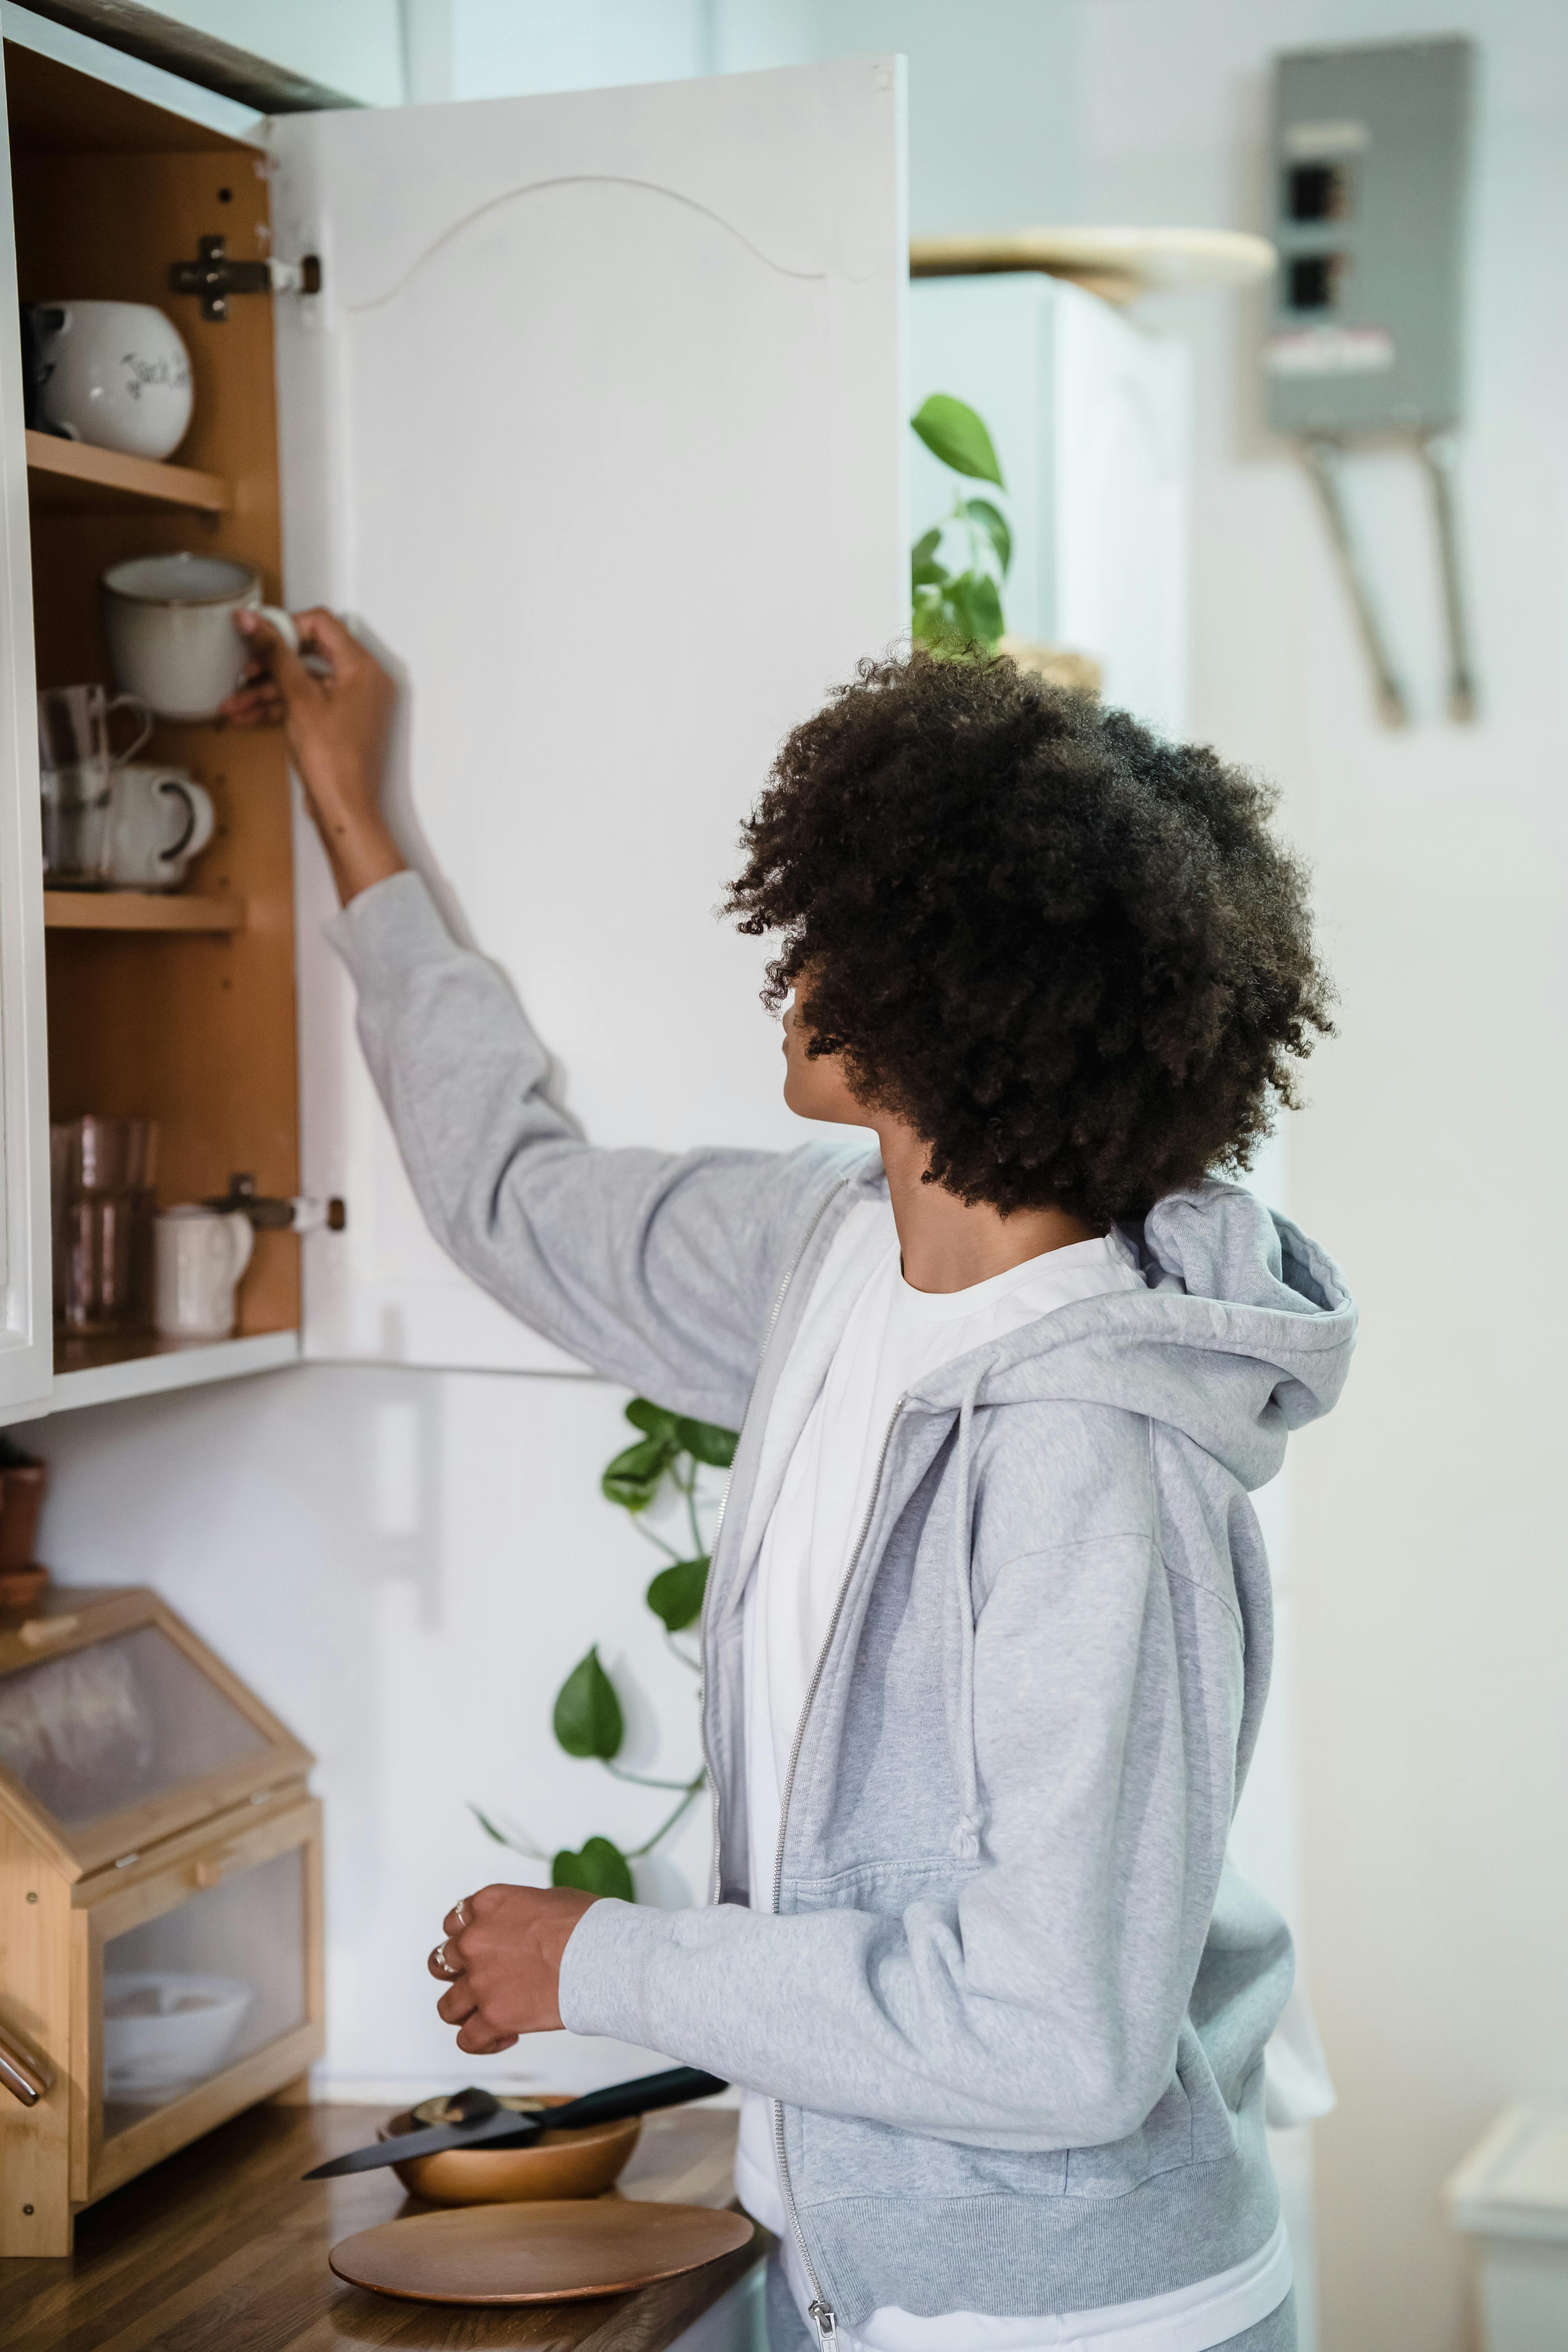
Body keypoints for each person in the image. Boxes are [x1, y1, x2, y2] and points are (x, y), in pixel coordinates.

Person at [226, 609, 1356, 2352]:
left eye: (845, 924)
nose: (796, 964)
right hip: (849, 2282)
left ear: (958, 995)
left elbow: (1055, 2036)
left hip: (1074, 2327)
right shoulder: (827, 1262)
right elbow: (516, 1204)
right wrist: (353, 820)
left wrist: (601, 1962)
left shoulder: (1092, 1461)